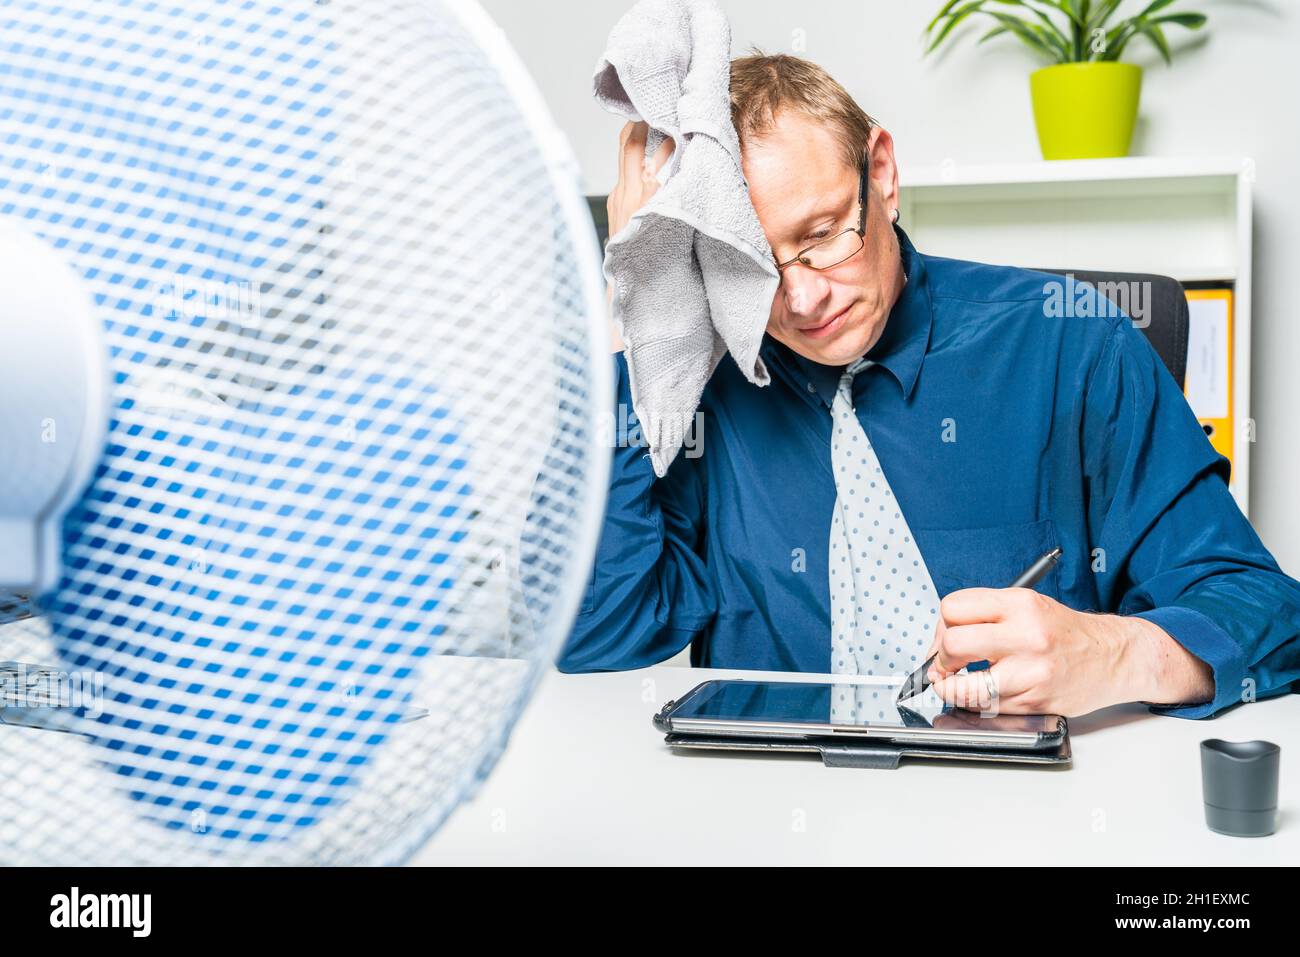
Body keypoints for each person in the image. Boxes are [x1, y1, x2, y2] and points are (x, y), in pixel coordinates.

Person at [559, 52, 1300, 720]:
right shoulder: (694, 389)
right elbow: (594, 634)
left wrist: (1112, 655)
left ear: (881, 174)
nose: (803, 300)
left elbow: (1267, 611)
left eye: (822, 235)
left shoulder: (1074, 344)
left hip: (1018, 809)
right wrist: (632, 316)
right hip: (769, 805)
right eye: (748, 270)